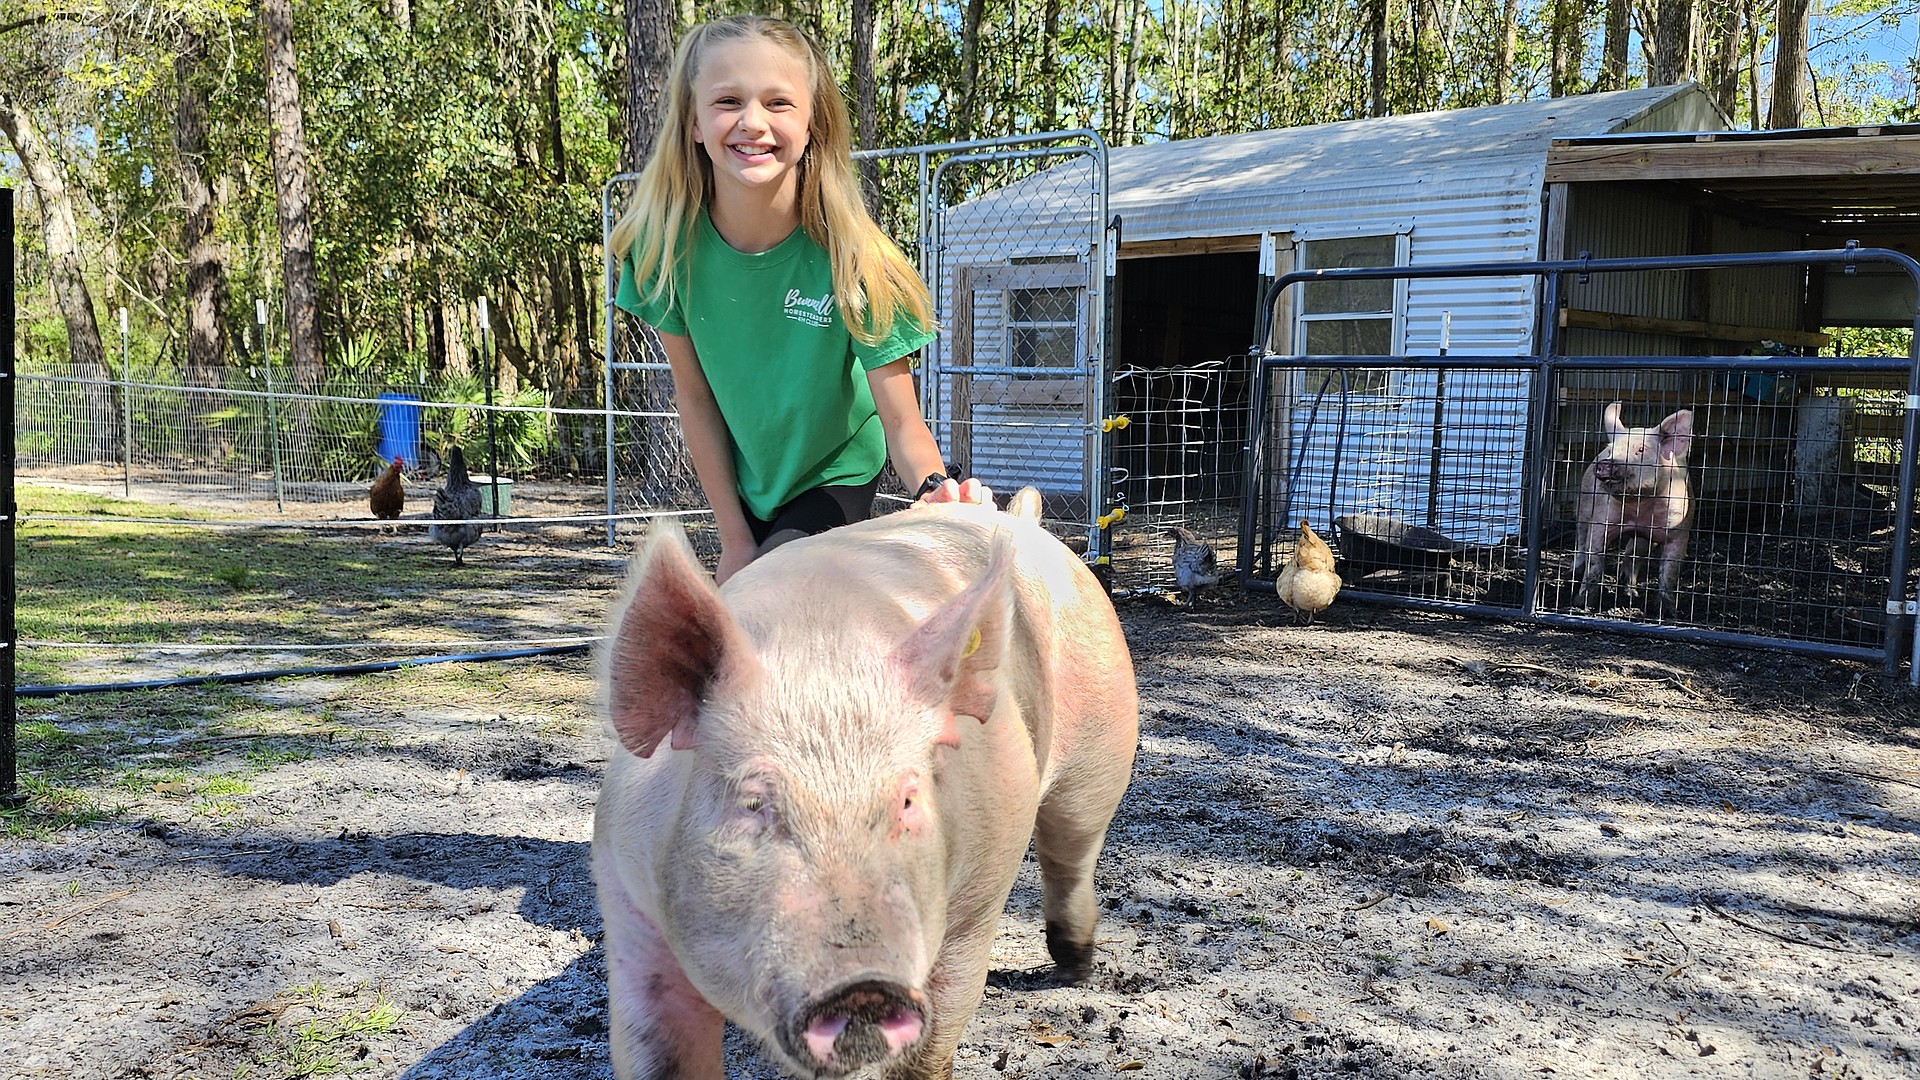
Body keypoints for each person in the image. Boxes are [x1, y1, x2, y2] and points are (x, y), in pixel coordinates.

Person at [611, 14, 989, 585]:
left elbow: (903, 423)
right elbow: (695, 400)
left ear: (813, 124)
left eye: (779, 102)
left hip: (833, 472)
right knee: (744, 601)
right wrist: (735, 539)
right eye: (728, 100)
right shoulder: (662, 253)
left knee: (774, 591)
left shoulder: (855, 259)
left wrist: (937, 491)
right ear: (693, 122)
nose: (752, 122)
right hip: (750, 483)